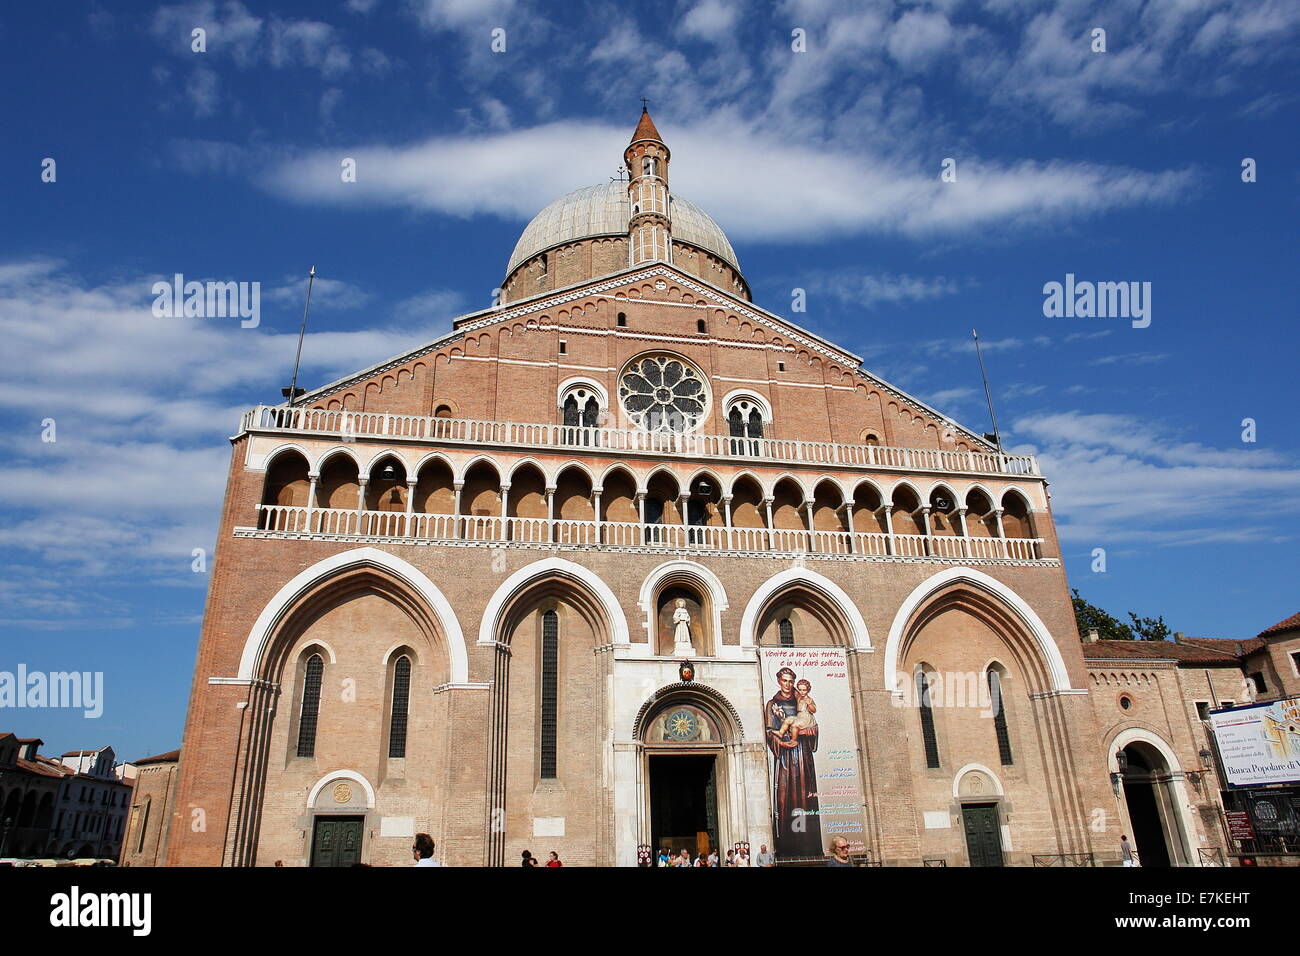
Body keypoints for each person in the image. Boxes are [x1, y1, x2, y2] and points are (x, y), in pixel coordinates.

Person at [767, 667, 822, 855]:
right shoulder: (772, 704)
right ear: (778, 680)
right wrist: (782, 744)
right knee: (785, 798)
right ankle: (787, 848)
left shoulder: (802, 701)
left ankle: (810, 846)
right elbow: (769, 732)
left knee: (806, 796)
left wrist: (806, 732)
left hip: (804, 755)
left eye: (791, 681)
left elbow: (814, 726)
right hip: (785, 759)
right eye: (784, 680)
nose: (788, 684)